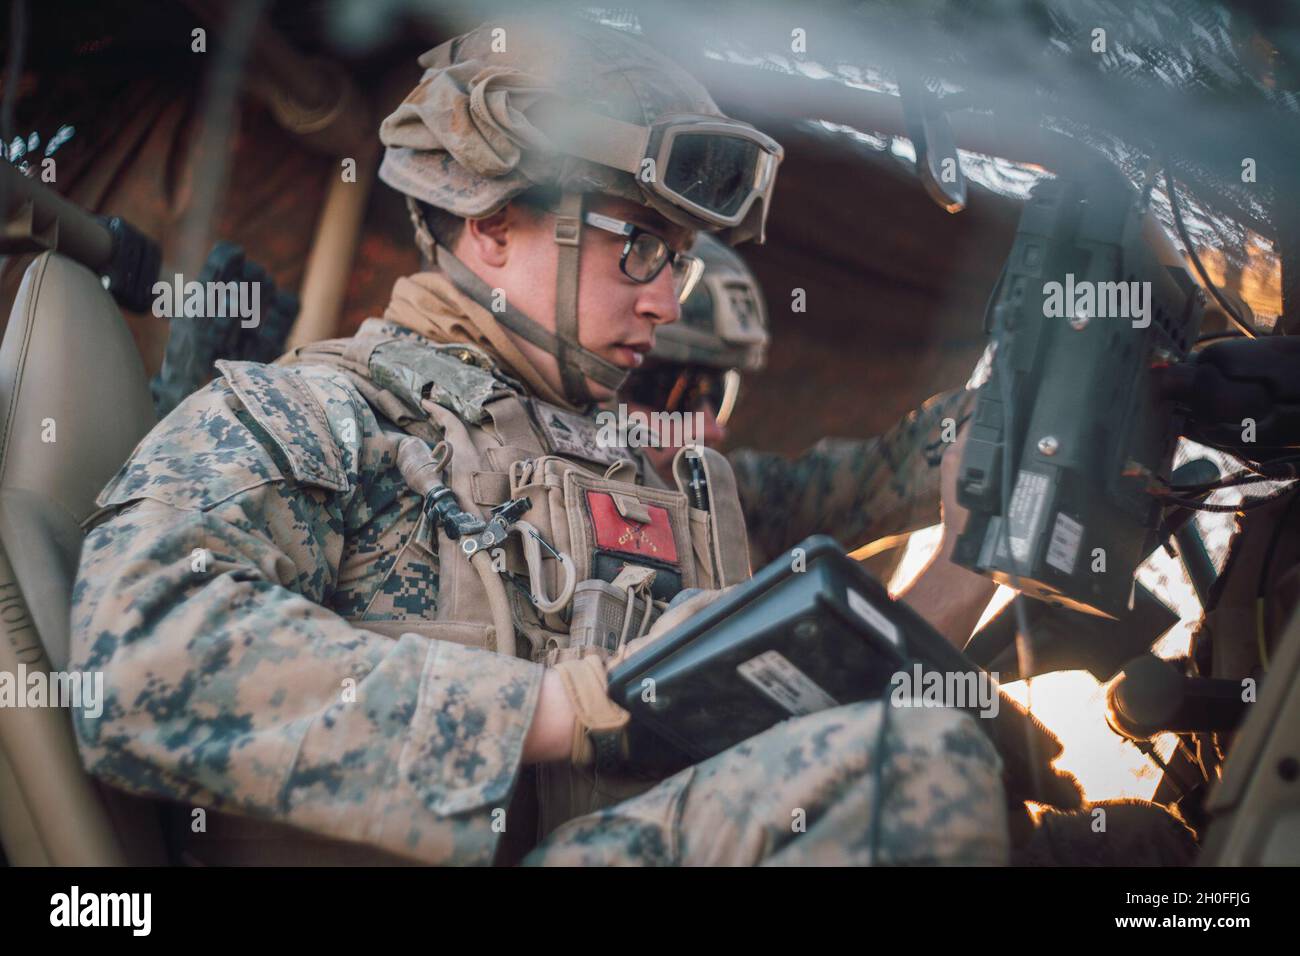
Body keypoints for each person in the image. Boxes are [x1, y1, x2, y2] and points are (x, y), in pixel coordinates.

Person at [69, 15, 1008, 866]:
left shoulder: (640, 461)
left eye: (679, 259)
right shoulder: (316, 414)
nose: (666, 299)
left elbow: (855, 487)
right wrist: (559, 711)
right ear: (491, 225)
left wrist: (1017, 440)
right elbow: (143, 653)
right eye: (639, 243)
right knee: (904, 763)